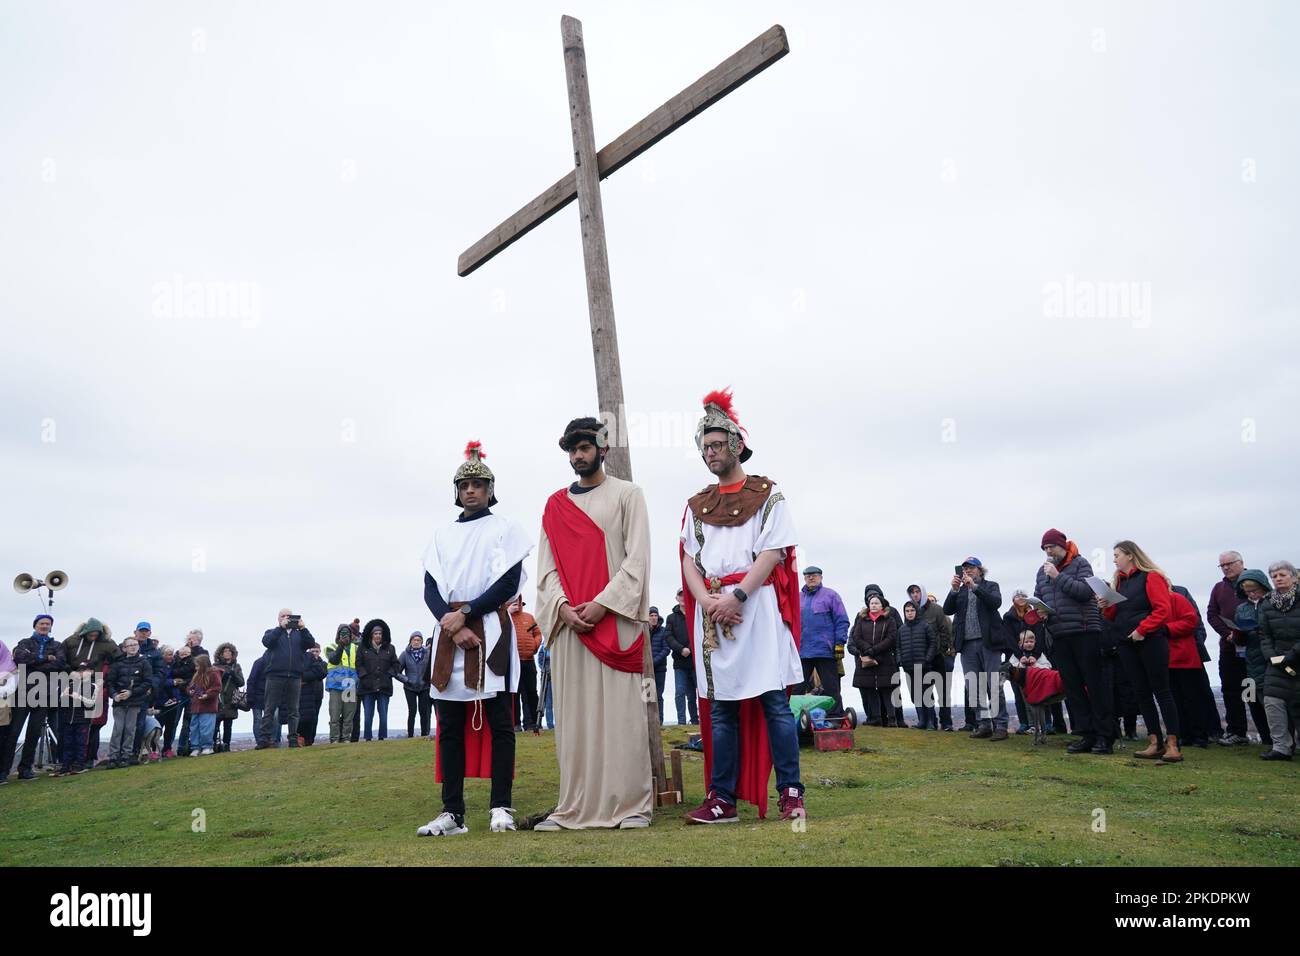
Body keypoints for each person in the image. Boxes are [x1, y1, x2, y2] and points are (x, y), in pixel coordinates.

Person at [675, 391, 805, 825]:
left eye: (716, 445)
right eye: (704, 447)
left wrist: (738, 597)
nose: (709, 453)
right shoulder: (696, 505)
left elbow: (773, 553)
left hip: (758, 605)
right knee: (722, 708)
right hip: (713, 611)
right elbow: (689, 561)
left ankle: (790, 792)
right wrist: (708, 600)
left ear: (735, 445)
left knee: (774, 703)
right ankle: (722, 799)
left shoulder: (768, 494)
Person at [535, 417, 656, 831]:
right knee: (575, 719)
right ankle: (573, 807)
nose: (578, 455)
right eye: (572, 449)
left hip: (614, 622)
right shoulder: (554, 505)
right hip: (570, 626)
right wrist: (562, 607)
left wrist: (603, 605)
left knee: (623, 716)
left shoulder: (628, 495)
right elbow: (545, 571)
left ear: (602, 449)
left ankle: (631, 806)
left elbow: (636, 560)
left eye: (584, 447)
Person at [418, 441, 530, 837]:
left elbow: (508, 583)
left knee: (500, 723)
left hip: (490, 630)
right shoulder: (441, 535)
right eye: (465, 485)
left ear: (489, 489)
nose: (471, 490)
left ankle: (501, 806)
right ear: (457, 491)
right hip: (449, 632)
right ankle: (453, 813)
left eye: (478, 484)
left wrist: (466, 614)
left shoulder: (505, 530)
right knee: (448, 725)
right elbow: (431, 587)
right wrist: (452, 623)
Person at [1100, 540, 1182, 762]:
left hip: (1151, 640)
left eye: (1117, 554)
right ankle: (1154, 742)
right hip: (1125, 642)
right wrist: (1106, 606)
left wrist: (1142, 630)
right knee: (1141, 692)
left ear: (1130, 555)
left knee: (1162, 691)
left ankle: (1173, 743)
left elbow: (1162, 609)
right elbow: (1116, 615)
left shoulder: (1151, 577)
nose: (1114, 559)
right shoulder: (1119, 581)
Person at [1035, 529, 1113, 754]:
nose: (1049, 552)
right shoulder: (1042, 572)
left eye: (1052, 547)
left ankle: (1104, 736)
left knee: (1095, 685)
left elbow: (1083, 592)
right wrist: (1039, 609)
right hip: (1059, 633)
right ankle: (1086, 734)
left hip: (1085, 631)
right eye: (1045, 548)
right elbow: (1039, 595)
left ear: (1063, 546)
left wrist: (1058, 577)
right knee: (1073, 687)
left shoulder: (1081, 564)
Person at [944, 558, 1012, 741]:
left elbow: (995, 602)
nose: (968, 571)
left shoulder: (991, 586)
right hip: (966, 645)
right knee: (973, 686)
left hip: (988, 642)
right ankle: (984, 724)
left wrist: (974, 586)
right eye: (965, 569)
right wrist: (954, 590)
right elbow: (947, 610)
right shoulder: (960, 591)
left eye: (971, 568)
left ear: (980, 570)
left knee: (993, 684)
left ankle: (1001, 726)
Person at [4, 614, 69, 780]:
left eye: (48, 624)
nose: (45, 626)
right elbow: (20, 659)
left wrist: (35, 666)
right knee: (13, 733)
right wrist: (46, 658)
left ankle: (25, 769)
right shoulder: (24, 643)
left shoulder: (57, 645)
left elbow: (60, 663)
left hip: (44, 694)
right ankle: (3, 771)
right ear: (35, 625)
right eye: (42, 623)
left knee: (33, 734)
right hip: (23, 692)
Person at [1208, 551, 1254, 746]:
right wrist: (1227, 634)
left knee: (1253, 692)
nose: (1226, 567)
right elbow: (1212, 614)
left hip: (1253, 649)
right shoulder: (1219, 588)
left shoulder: (1254, 583)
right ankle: (1237, 731)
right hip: (1229, 648)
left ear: (1241, 563)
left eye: (1230, 563)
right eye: (1222, 565)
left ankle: (1268, 733)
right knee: (1231, 690)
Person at [1257, 561, 1299, 761]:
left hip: (1296, 656)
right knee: (1272, 700)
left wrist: (1291, 655)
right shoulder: (1267, 602)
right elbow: (1264, 634)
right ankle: (1281, 747)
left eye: (1282, 575)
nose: (1278, 579)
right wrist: (1271, 656)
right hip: (1275, 661)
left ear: (1294, 576)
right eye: (1274, 576)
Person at [1167, 586, 1217, 749]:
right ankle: (1185, 734)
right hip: (1167, 656)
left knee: (1194, 696)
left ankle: (1200, 735)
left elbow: (1193, 622)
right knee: (1175, 698)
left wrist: (1166, 629)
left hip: (1186, 654)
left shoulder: (1179, 597)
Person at [259, 610, 315, 749]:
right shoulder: (272, 632)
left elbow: (310, 643)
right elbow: (267, 642)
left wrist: (303, 628)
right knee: (270, 708)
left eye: (288, 617)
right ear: (278, 619)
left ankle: (293, 739)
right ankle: (264, 739)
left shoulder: (299, 634)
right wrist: (280, 628)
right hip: (275, 675)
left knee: (294, 710)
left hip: (295, 676)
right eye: (282, 616)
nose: (286, 619)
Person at [798, 567, 849, 717]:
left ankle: (836, 718)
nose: (810, 578)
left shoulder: (831, 595)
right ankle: (793, 719)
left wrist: (839, 643)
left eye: (814, 575)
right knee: (796, 688)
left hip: (825, 650)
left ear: (821, 577)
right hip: (802, 650)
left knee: (831, 687)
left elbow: (842, 620)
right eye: (807, 576)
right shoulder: (798, 597)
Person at [1232, 568, 1275, 747]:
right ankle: (1265, 738)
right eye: (1248, 591)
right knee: (1251, 700)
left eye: (1255, 590)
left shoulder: (1273, 603)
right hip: (1249, 660)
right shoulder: (1241, 609)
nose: (1252, 594)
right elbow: (1238, 636)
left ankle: (1281, 740)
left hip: (1270, 659)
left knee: (1273, 702)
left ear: (1264, 587)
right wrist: (1237, 633)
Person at [908, 584, 955, 730]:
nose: (915, 595)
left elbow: (945, 631)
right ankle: (930, 722)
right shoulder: (911, 611)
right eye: (912, 593)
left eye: (917, 592)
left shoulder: (936, 610)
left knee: (943, 691)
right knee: (926, 692)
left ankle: (946, 723)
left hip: (938, 657)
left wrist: (942, 652)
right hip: (922, 660)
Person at [848, 593, 899, 726]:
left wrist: (875, 649)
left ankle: (892, 719)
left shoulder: (889, 620)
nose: (874, 605)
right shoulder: (861, 620)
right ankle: (876, 718)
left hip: (885, 659)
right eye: (871, 603)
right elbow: (856, 637)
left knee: (887, 690)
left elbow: (891, 638)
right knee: (870, 689)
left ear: (882, 605)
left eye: (876, 603)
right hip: (866, 658)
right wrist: (867, 649)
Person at [1003, 590, 1048, 733]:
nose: (1021, 598)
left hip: (1036, 657)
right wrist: (1019, 655)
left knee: (1040, 690)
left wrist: (1035, 654)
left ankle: (1046, 723)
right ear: (1013, 599)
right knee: (1018, 692)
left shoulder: (1034, 616)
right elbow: (1009, 638)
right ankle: (1024, 723)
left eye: (1023, 596)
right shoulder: (1008, 617)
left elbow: (1040, 636)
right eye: (1017, 596)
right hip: (1016, 658)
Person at [107, 635, 153, 769]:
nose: (133, 647)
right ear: (124, 648)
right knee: (118, 729)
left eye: (135, 644)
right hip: (119, 702)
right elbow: (110, 682)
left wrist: (132, 692)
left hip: (135, 701)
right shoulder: (117, 664)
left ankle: (126, 756)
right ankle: (113, 756)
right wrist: (114, 695)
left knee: (130, 730)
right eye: (130, 645)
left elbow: (147, 682)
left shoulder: (144, 662)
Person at [51, 661, 99, 776]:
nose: (81, 673)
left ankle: (79, 764)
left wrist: (79, 697)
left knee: (80, 742)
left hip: (82, 719)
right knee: (67, 743)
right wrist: (63, 696)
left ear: (91, 672)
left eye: (85, 670)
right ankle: (66, 765)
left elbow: (91, 703)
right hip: (68, 719)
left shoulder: (93, 686)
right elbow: (60, 702)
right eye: (80, 671)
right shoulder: (71, 685)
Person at [896, 601, 937, 728]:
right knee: (916, 695)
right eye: (907, 611)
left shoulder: (925, 626)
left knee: (927, 694)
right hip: (909, 667)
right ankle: (922, 721)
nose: (909, 613)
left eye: (912, 610)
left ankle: (931, 722)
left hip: (924, 667)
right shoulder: (901, 629)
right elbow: (898, 647)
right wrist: (900, 660)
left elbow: (933, 643)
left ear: (916, 611)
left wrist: (927, 659)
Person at [357, 619, 399, 741]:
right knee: (368, 715)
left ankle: (382, 737)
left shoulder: (390, 648)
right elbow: (358, 664)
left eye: (380, 634)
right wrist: (364, 676)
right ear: (371, 635)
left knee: (384, 715)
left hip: (384, 686)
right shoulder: (363, 647)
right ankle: (368, 737)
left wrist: (389, 674)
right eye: (375, 634)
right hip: (367, 687)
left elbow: (396, 664)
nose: (378, 636)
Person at [665, 588, 699, 725]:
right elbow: (668, 636)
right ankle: (681, 722)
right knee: (680, 692)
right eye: (680, 595)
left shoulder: (695, 614)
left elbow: (699, 632)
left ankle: (696, 721)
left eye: (685, 594)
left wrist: (690, 649)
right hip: (679, 662)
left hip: (695, 662)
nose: (683, 597)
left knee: (693, 694)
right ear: (677, 598)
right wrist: (681, 649)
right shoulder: (671, 618)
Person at [508, 601, 542, 733]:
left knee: (531, 693)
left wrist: (535, 644)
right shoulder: (505, 617)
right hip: (512, 662)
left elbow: (538, 633)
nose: (516, 603)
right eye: (514, 601)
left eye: (518, 600)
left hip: (529, 661)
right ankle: (515, 724)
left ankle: (532, 723)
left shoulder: (529, 617)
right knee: (514, 694)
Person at [325, 625, 359, 744]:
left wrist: (357, 635)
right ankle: (334, 738)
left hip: (350, 685)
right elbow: (333, 660)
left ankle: (346, 738)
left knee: (348, 714)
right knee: (334, 714)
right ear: (338, 635)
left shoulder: (356, 648)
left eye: (347, 634)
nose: (345, 636)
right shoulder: (330, 647)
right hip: (335, 685)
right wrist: (341, 645)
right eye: (342, 633)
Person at [398, 631, 432, 738]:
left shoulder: (428, 653)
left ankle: (424, 734)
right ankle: (410, 735)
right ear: (410, 641)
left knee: (424, 711)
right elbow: (396, 671)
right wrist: (406, 679)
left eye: (419, 640)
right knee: (412, 711)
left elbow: (433, 668)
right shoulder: (404, 654)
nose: (416, 642)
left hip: (424, 687)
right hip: (410, 687)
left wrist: (429, 680)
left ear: (422, 642)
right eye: (414, 640)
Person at [187, 654, 222, 756]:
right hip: (195, 706)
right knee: (194, 728)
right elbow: (190, 687)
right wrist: (190, 691)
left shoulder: (214, 673)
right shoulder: (196, 675)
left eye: (197, 665)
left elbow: (217, 688)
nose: (196, 667)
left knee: (206, 727)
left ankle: (207, 746)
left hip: (208, 707)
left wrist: (207, 695)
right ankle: (195, 747)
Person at [212, 643, 244, 753]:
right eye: (225, 651)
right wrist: (224, 674)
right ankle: (213, 745)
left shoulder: (236, 666)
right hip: (218, 698)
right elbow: (212, 681)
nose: (227, 653)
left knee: (228, 724)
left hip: (231, 699)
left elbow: (241, 682)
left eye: (229, 651)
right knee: (215, 723)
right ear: (220, 653)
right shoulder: (215, 666)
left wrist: (233, 674)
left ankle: (227, 746)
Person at [298, 644, 328, 745]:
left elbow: (321, 673)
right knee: (303, 718)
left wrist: (309, 676)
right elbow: (302, 674)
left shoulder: (322, 663)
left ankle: (310, 740)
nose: (314, 653)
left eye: (316, 651)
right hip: (305, 695)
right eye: (312, 651)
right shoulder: (304, 662)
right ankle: (302, 738)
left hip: (317, 695)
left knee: (314, 718)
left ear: (319, 652)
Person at [648, 607, 671, 725]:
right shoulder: (643, 631)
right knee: (648, 695)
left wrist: (653, 662)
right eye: (651, 615)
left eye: (655, 615)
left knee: (658, 694)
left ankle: (659, 721)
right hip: (646, 670)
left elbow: (666, 649)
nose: (653, 618)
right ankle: (649, 720)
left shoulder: (663, 631)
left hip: (660, 669)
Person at [246, 648, 272, 747]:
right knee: (259, 719)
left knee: (262, 719)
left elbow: (251, 680)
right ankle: (262, 741)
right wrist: (250, 697)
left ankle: (265, 741)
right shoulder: (259, 663)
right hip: (259, 696)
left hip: (264, 695)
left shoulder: (259, 662)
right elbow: (251, 680)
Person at [536, 639, 555, 730]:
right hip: (547, 676)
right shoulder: (544, 644)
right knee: (548, 702)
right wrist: (545, 670)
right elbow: (540, 660)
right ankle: (550, 725)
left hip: (556, 674)